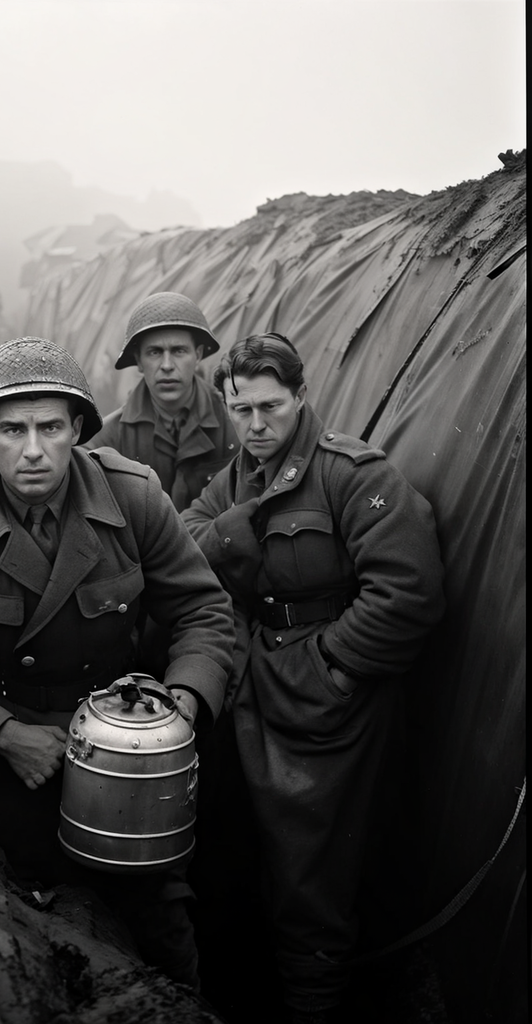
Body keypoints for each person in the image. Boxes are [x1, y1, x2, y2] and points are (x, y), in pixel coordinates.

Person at [0, 337, 236, 991]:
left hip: (125, 738)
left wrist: (177, 709)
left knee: (161, 916)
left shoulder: (133, 496)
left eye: (50, 427)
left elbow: (203, 614)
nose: (32, 449)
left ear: (77, 432)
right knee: (26, 918)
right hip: (6, 740)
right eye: (12, 429)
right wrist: (3, 736)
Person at [181, 332, 446, 1024]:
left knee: (310, 873)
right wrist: (242, 524)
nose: (257, 426)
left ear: (302, 397)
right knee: (236, 844)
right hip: (260, 688)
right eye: (241, 411)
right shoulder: (238, 475)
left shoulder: (353, 475)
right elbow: (187, 538)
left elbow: (408, 593)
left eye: (271, 408)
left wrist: (330, 666)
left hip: (331, 707)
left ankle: (313, 1009)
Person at [88, 292, 238, 512]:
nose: (167, 365)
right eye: (155, 352)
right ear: (139, 361)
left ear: (197, 355)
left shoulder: (234, 424)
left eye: (178, 351)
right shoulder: (109, 438)